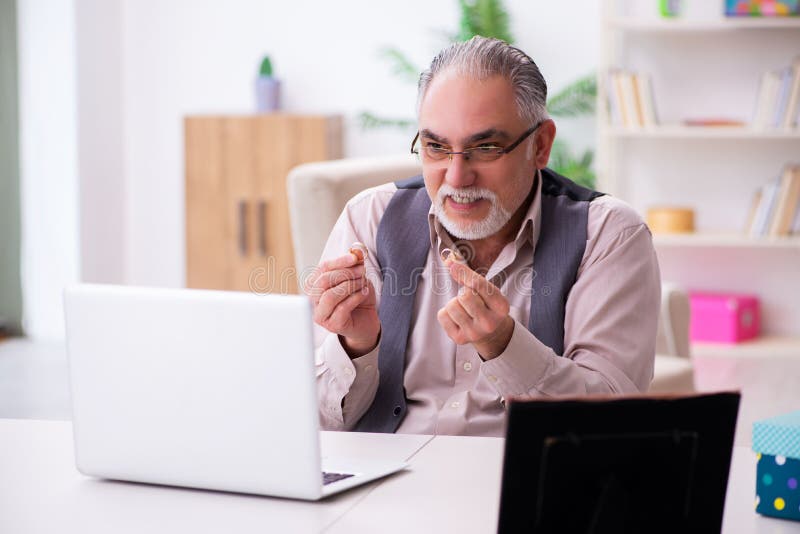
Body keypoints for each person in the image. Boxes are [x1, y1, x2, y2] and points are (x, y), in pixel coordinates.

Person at [306, 36, 660, 436]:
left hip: (521, 472)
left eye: (486, 147)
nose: (457, 177)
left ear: (540, 145)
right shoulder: (369, 218)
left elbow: (610, 426)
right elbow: (311, 422)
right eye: (436, 147)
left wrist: (505, 346)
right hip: (387, 473)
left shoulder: (609, 235)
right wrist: (354, 347)